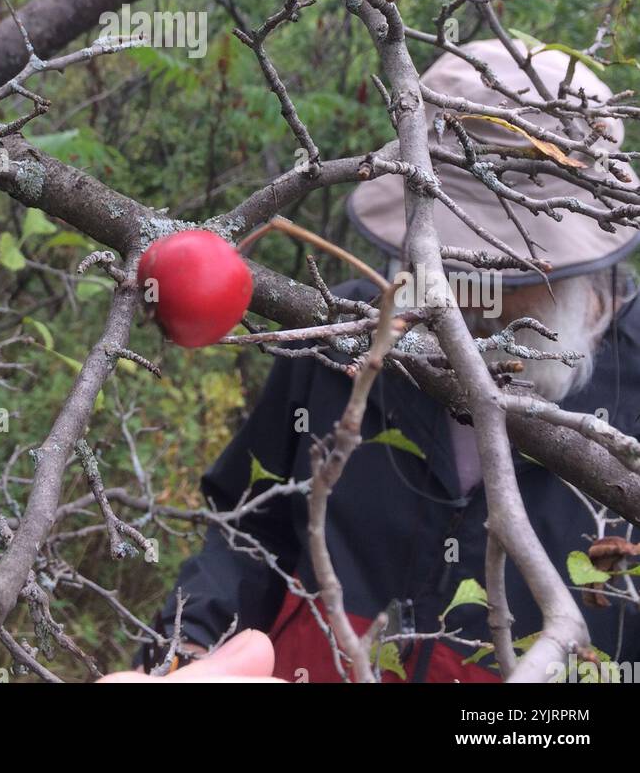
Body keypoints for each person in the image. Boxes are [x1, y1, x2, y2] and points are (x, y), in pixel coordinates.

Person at [139, 40, 640, 682]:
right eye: (446, 259)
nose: (463, 300)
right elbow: (250, 529)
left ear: (588, 259)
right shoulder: (342, 330)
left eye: (507, 270)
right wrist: (189, 648)